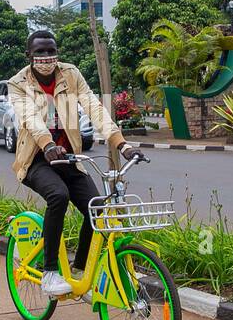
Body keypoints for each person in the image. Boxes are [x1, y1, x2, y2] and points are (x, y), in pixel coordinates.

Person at [8, 29, 144, 297]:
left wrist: (121, 143)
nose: (46, 58)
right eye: (40, 53)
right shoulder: (17, 83)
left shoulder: (70, 74)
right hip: (37, 160)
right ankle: (49, 273)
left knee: (98, 209)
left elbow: (94, 108)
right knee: (58, 195)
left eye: (51, 52)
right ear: (29, 55)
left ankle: (81, 269)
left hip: (70, 159)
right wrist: (47, 145)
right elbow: (30, 119)